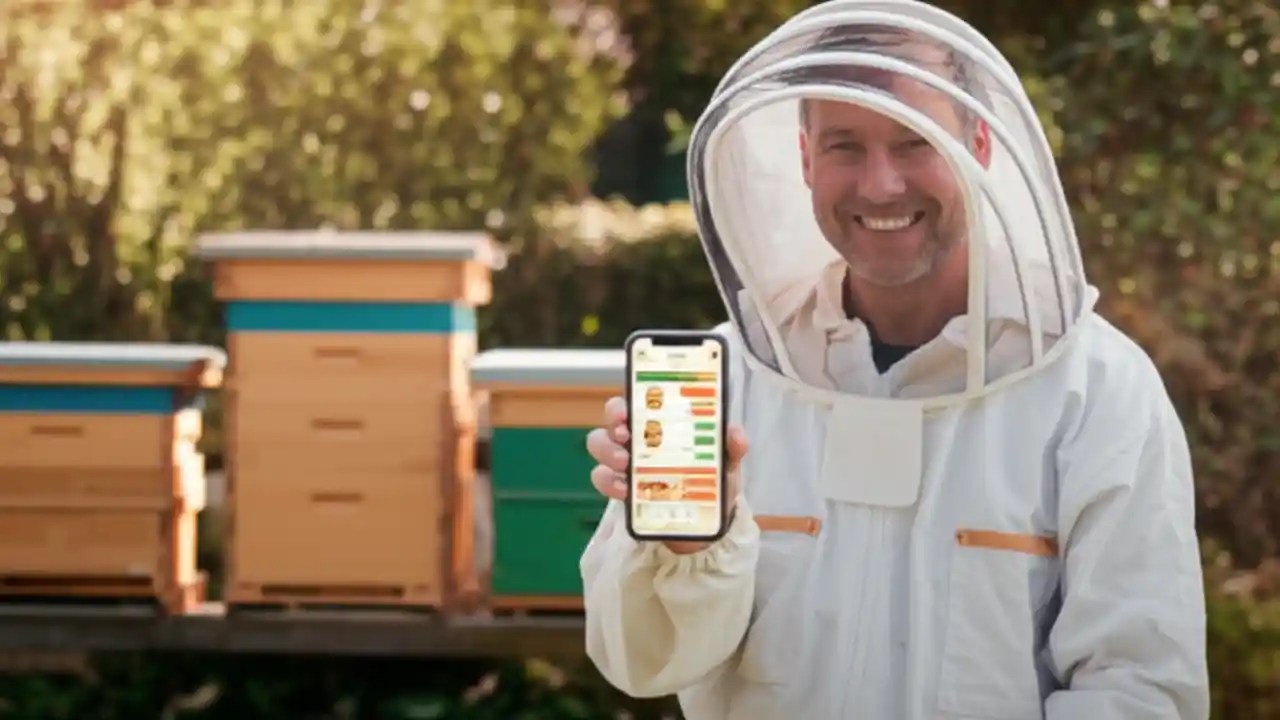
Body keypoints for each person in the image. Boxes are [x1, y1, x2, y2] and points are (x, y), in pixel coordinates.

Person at [580, 2, 1209, 718]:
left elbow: (1138, 686)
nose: (881, 184)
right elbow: (643, 662)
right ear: (805, 160)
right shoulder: (731, 381)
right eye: (846, 145)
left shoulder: (1096, 390)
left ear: (979, 143)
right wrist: (688, 552)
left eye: (915, 141)